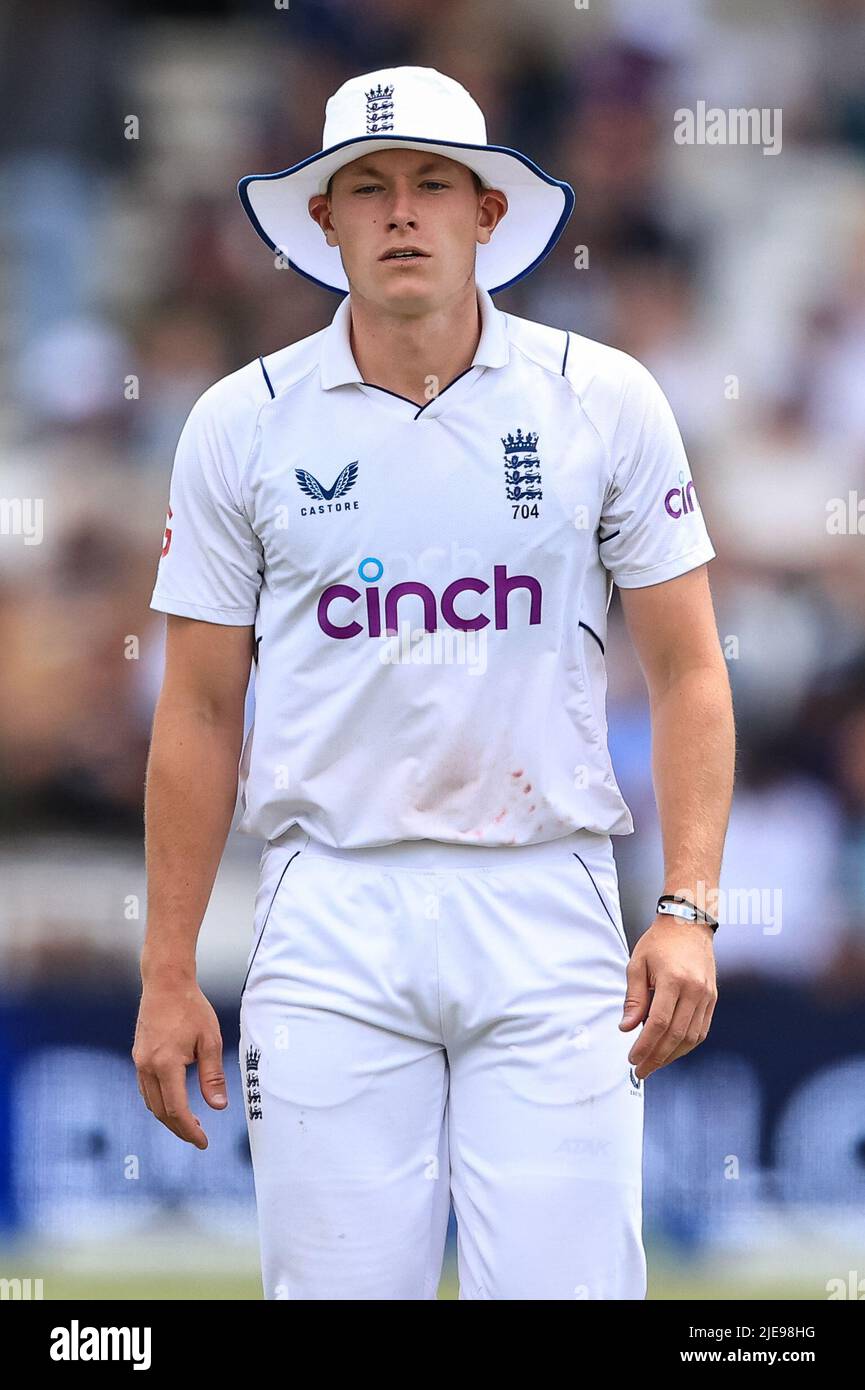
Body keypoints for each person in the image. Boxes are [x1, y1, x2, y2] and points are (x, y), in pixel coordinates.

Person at [134, 66, 735, 1301]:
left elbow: (687, 670)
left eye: (429, 186)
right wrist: (167, 967)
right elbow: (198, 710)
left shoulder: (602, 400)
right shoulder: (240, 426)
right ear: (325, 222)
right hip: (327, 912)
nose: (400, 213)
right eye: (367, 189)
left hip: (548, 898)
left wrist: (688, 905)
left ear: (487, 216)